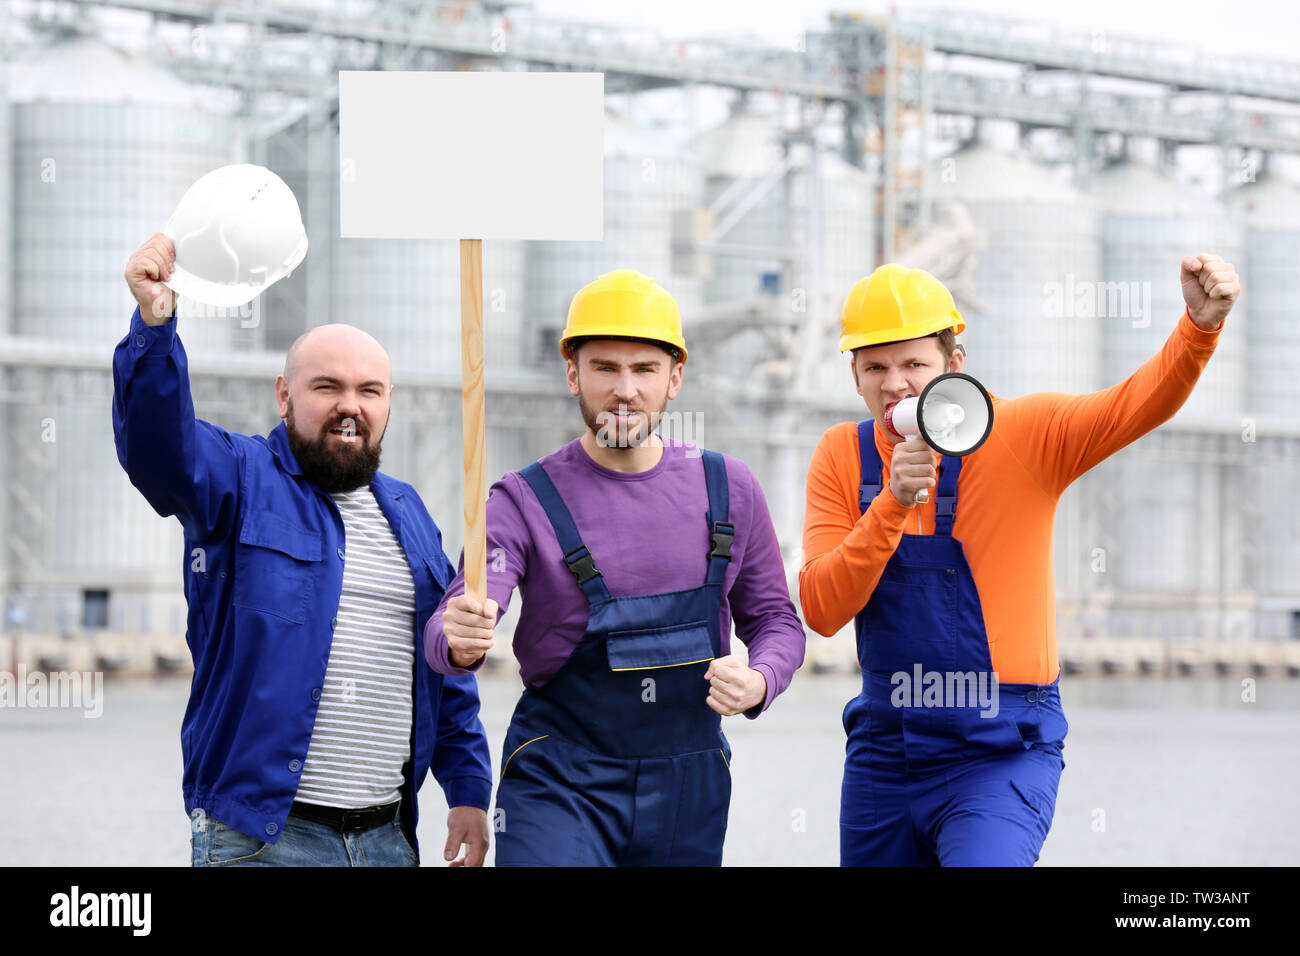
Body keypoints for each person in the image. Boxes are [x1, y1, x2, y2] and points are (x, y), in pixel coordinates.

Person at [799, 256, 1239, 867]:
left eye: (914, 364)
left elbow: (1136, 404)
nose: (895, 384)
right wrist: (891, 506)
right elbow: (821, 610)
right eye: (875, 366)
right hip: (886, 748)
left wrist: (1198, 326)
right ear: (853, 374)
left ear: (955, 364)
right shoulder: (841, 455)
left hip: (1001, 746)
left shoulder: (1025, 433)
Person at [113, 233, 493, 867]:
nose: (350, 406)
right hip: (263, 840)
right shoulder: (236, 478)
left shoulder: (413, 518)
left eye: (370, 391)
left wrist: (468, 790)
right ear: (285, 396)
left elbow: (442, 669)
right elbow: (159, 449)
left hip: (387, 841)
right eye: (327, 387)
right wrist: (156, 327)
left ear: (388, 405)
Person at [424, 269, 806, 866]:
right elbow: (454, 623)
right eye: (604, 368)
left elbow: (777, 621)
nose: (624, 390)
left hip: (691, 783)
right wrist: (461, 636)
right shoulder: (522, 498)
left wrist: (762, 681)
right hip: (560, 779)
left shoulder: (729, 488)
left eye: (644, 370)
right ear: (572, 373)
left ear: (674, 378)